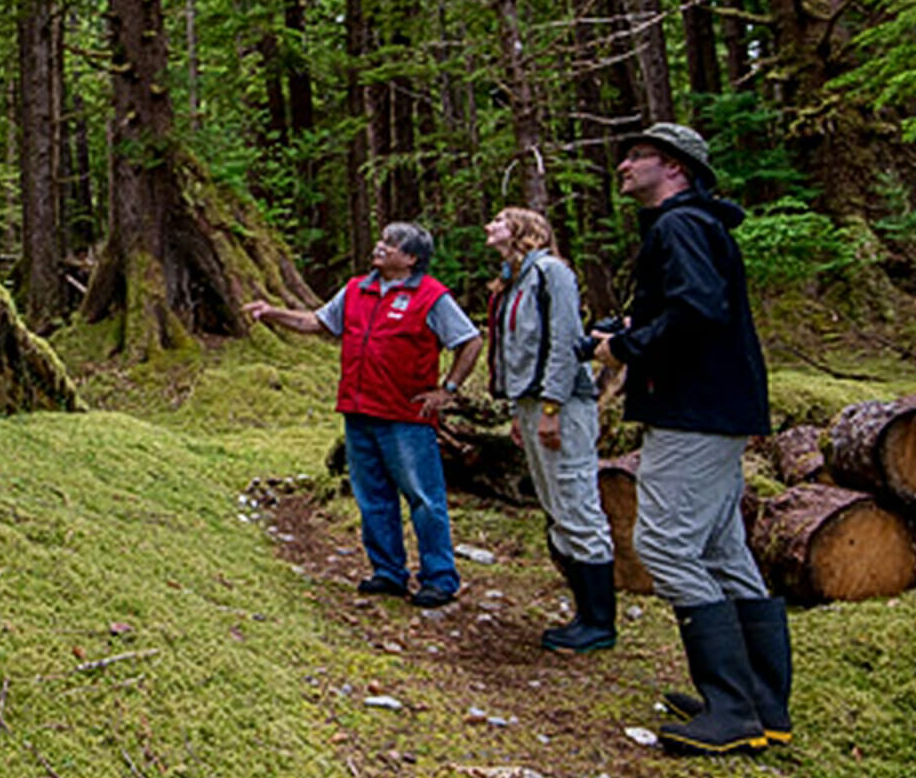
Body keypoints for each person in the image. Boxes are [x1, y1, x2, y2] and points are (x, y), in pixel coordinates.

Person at [592, 123, 790, 756]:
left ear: (673, 167)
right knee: (721, 549)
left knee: (666, 545)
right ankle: (761, 703)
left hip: (696, 411)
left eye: (637, 156)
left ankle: (732, 710)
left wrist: (626, 346)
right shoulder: (694, 226)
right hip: (716, 406)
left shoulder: (680, 225)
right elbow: (694, 305)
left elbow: (698, 309)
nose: (623, 165)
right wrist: (635, 325)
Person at [245, 222, 483, 608]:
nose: (380, 247)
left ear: (411, 258)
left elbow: (469, 340)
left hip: (406, 415)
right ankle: (388, 572)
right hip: (359, 410)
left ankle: (439, 578)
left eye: (391, 244)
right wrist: (271, 312)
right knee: (372, 496)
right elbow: (316, 323)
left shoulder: (431, 296)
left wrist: (448, 389)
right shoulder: (357, 289)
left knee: (423, 497)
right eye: (381, 241)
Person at [483, 207, 615, 653]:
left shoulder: (551, 272)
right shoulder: (515, 280)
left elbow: (564, 340)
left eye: (499, 221)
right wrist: (521, 411)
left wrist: (553, 406)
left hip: (561, 402)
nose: (489, 226)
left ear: (522, 230)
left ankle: (600, 622)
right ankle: (583, 613)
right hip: (530, 402)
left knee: (576, 500)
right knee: (556, 504)